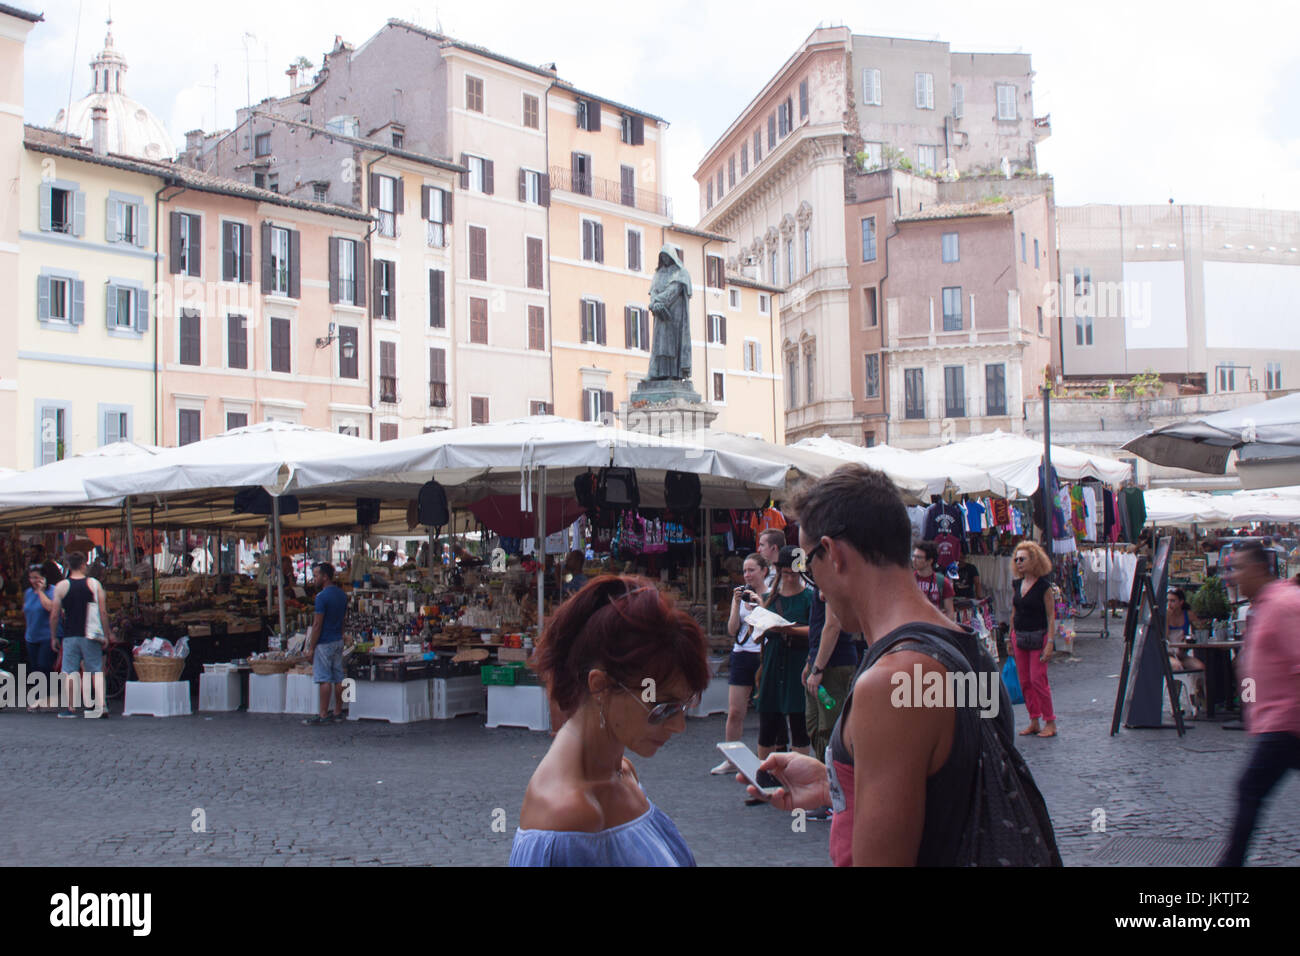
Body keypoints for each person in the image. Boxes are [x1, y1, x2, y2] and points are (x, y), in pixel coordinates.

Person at [746, 464, 1055, 866]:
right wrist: (839, 781)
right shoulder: (968, 649)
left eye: (809, 562)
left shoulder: (890, 685)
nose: (813, 582)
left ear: (834, 553)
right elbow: (949, 787)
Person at [511, 576, 710, 866]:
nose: (679, 726)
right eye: (663, 707)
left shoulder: (621, 772)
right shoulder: (570, 816)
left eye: (684, 705)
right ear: (601, 687)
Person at [1218, 542, 1300, 866]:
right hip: (1275, 721)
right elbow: (1252, 665)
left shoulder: (1282, 604)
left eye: (1237, 568)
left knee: (1249, 788)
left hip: (1287, 720)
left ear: (1256, 569)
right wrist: (1250, 710)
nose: (1232, 576)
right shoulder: (1263, 606)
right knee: (1250, 789)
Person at [712, 552, 770, 775]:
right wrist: (737, 604)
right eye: (745, 571)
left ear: (763, 571)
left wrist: (760, 604)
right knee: (735, 711)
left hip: (763, 655)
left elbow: (771, 624)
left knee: (767, 710)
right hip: (741, 654)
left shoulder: (770, 595)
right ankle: (731, 759)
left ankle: (766, 760)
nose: (747, 575)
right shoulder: (742, 595)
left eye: (751, 570)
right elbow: (732, 629)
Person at [755, 547, 813, 764]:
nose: (790, 578)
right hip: (773, 660)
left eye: (794, 573)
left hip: (798, 661)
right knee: (768, 722)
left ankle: (798, 777)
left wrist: (787, 630)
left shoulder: (810, 598)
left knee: (799, 723)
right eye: (786, 573)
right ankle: (765, 775)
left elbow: (816, 631)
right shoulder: (768, 598)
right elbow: (757, 634)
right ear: (779, 572)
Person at [49, 551, 114, 719]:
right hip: (90, 635)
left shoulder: (62, 586)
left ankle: (69, 708)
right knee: (96, 671)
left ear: (68, 566)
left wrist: (54, 636)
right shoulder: (94, 584)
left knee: (69, 671)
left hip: (70, 635)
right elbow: (102, 612)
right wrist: (106, 635)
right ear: (84, 564)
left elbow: (55, 614)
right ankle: (102, 706)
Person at [1010, 541, 1057, 739]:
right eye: (1016, 559)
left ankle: (1050, 721)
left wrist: (1050, 643)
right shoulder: (1017, 584)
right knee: (1025, 681)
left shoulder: (1044, 586)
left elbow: (1051, 615)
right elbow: (1014, 611)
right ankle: (1034, 720)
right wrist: (1009, 636)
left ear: (1034, 560)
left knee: (1038, 680)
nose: (1019, 562)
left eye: (1023, 559)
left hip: (1039, 635)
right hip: (1019, 636)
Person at [302, 562, 348, 725]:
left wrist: (311, 647)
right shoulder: (342, 595)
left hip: (324, 641)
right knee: (339, 677)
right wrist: (341, 635)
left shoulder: (321, 597)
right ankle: (338, 710)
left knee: (324, 679)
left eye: (316, 576)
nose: (314, 579)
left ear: (325, 577)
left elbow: (317, 625)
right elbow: (343, 620)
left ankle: (323, 713)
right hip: (337, 640)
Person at [23, 565, 58, 710]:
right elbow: (26, 610)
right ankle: (38, 698)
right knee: (35, 668)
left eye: (37, 577)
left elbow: (50, 607)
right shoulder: (28, 593)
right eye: (31, 577)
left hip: (47, 635)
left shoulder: (53, 591)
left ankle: (49, 698)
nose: (33, 581)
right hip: (32, 635)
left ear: (44, 578)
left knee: (45, 665)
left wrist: (41, 592)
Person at [1166, 587, 1205, 674]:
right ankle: (1175, 688)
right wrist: (1167, 618)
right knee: (1177, 666)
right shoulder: (1166, 615)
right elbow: (1165, 636)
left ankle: (1196, 687)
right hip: (1168, 654)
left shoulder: (1188, 614)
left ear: (1181, 602)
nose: (1169, 604)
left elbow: (1200, 629)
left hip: (1182, 654)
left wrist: (1191, 638)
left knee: (1200, 667)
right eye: (1168, 600)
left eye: (1173, 601)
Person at [912, 542, 955, 620]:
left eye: (918, 557)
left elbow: (950, 612)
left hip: (934, 628)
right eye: (913, 556)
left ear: (930, 561)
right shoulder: (909, 580)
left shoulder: (942, 582)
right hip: (914, 627)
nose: (914, 560)